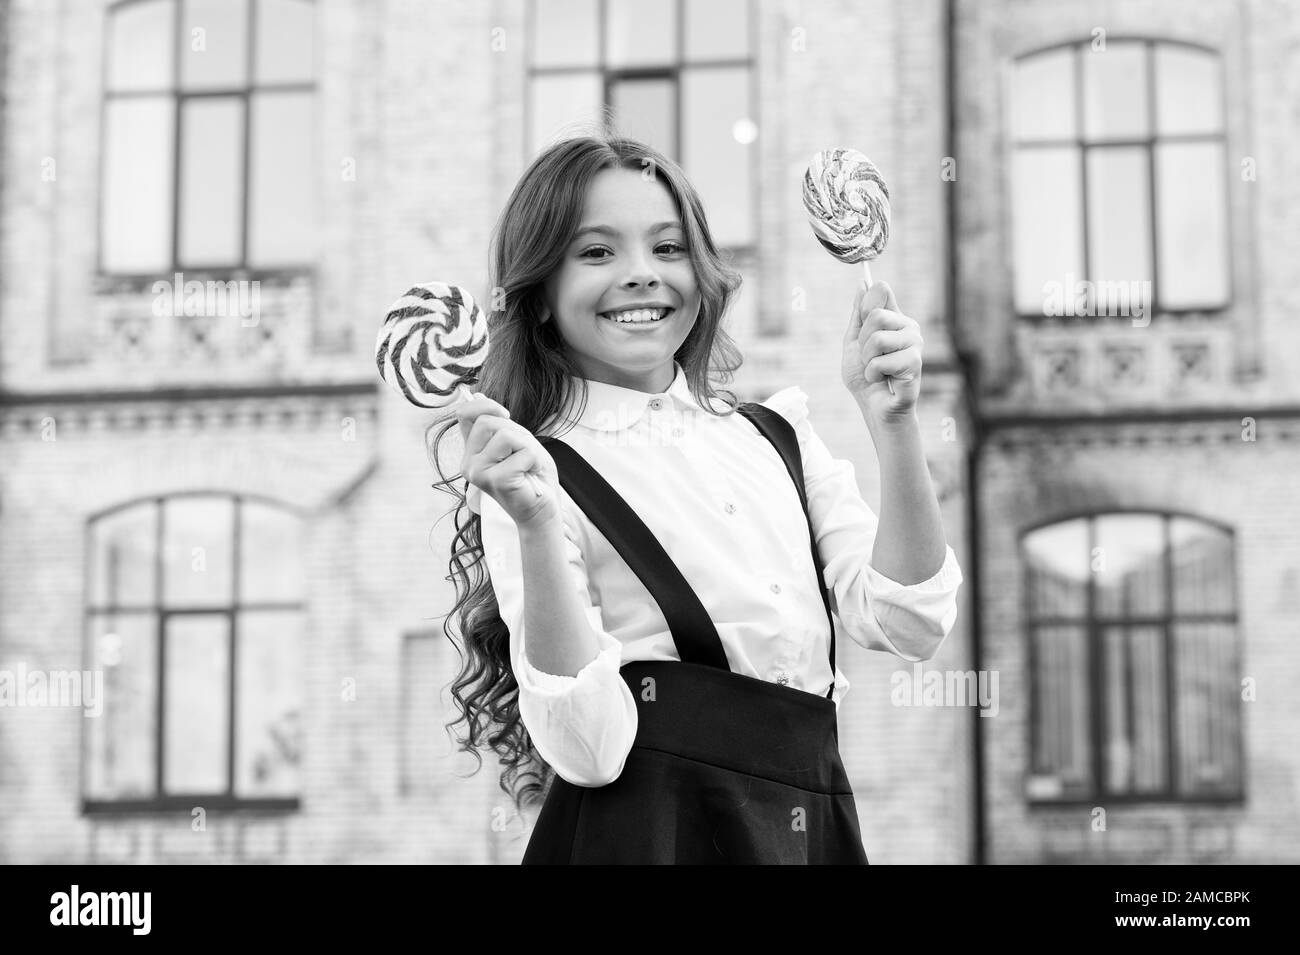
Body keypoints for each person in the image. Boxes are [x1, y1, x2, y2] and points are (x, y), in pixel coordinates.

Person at [429, 131, 963, 864]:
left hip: (808, 826)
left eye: (669, 248)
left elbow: (913, 621)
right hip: (649, 839)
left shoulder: (778, 437)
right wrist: (534, 519)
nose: (642, 274)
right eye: (596, 252)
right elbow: (589, 746)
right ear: (542, 296)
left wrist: (894, 424)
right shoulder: (534, 477)